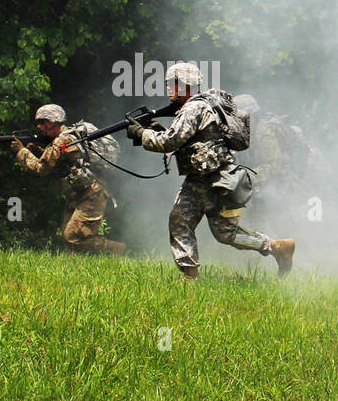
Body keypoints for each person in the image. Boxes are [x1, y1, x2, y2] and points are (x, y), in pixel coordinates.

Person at [126, 63, 294, 280]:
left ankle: (274, 247)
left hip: (211, 181)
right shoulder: (205, 105)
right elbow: (192, 140)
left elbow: (168, 143)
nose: (168, 89)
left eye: (171, 84)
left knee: (206, 229)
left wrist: (142, 134)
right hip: (206, 178)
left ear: (184, 85)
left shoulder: (193, 108)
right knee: (198, 227)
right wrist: (158, 131)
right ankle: (192, 275)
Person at [11, 103, 125, 256]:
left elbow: (41, 168)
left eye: (43, 122)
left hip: (91, 195)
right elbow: (58, 159)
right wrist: (39, 151)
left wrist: (21, 152)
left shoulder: (63, 140)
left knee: (72, 237)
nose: (39, 126)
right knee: (67, 238)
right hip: (79, 194)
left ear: (54, 121)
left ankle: (116, 250)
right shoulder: (67, 137)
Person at [235, 93, 329, 225]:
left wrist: (244, 178)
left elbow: (275, 165)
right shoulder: (250, 133)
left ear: (249, 115)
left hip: (300, 175)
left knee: (302, 219)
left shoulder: (265, 133)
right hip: (284, 178)